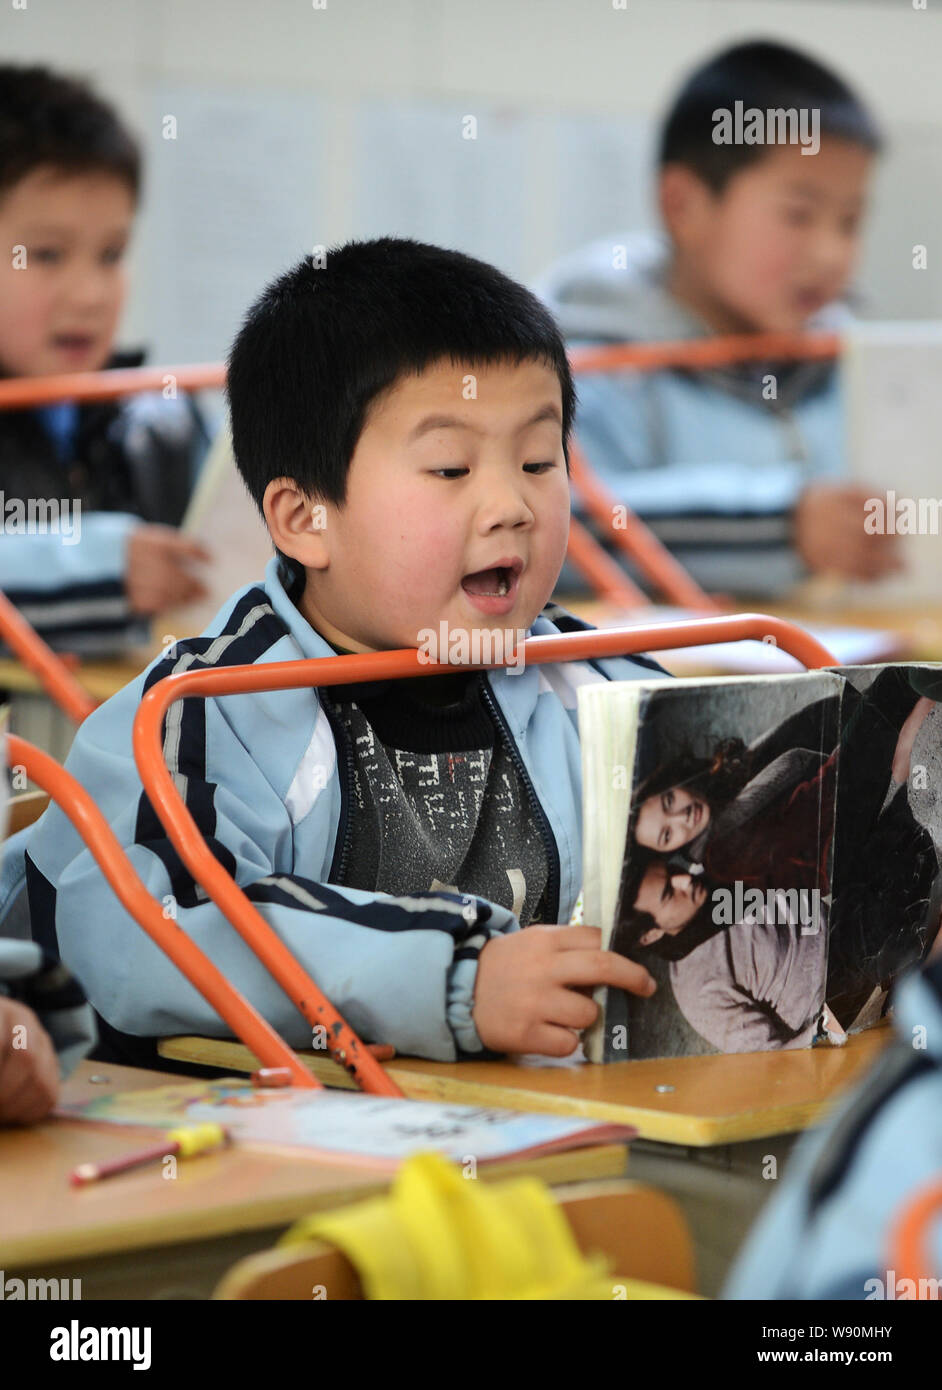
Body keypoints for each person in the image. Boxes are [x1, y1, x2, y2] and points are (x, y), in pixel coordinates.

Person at [14, 237, 666, 1069]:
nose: (512, 505)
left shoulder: (605, 682)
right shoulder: (198, 712)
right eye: (450, 467)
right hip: (234, 1143)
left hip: (499, 1119)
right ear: (303, 519)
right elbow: (158, 928)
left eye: (539, 460)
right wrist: (459, 978)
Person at [536, 41, 897, 598]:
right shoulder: (594, 364)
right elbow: (547, 532)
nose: (831, 254)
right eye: (798, 215)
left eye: (850, 222)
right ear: (684, 205)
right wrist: (780, 529)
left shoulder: (852, 361)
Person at [0, 65, 209, 653]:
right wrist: (101, 567)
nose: (91, 293)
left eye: (111, 253)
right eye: (46, 255)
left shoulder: (165, 416)